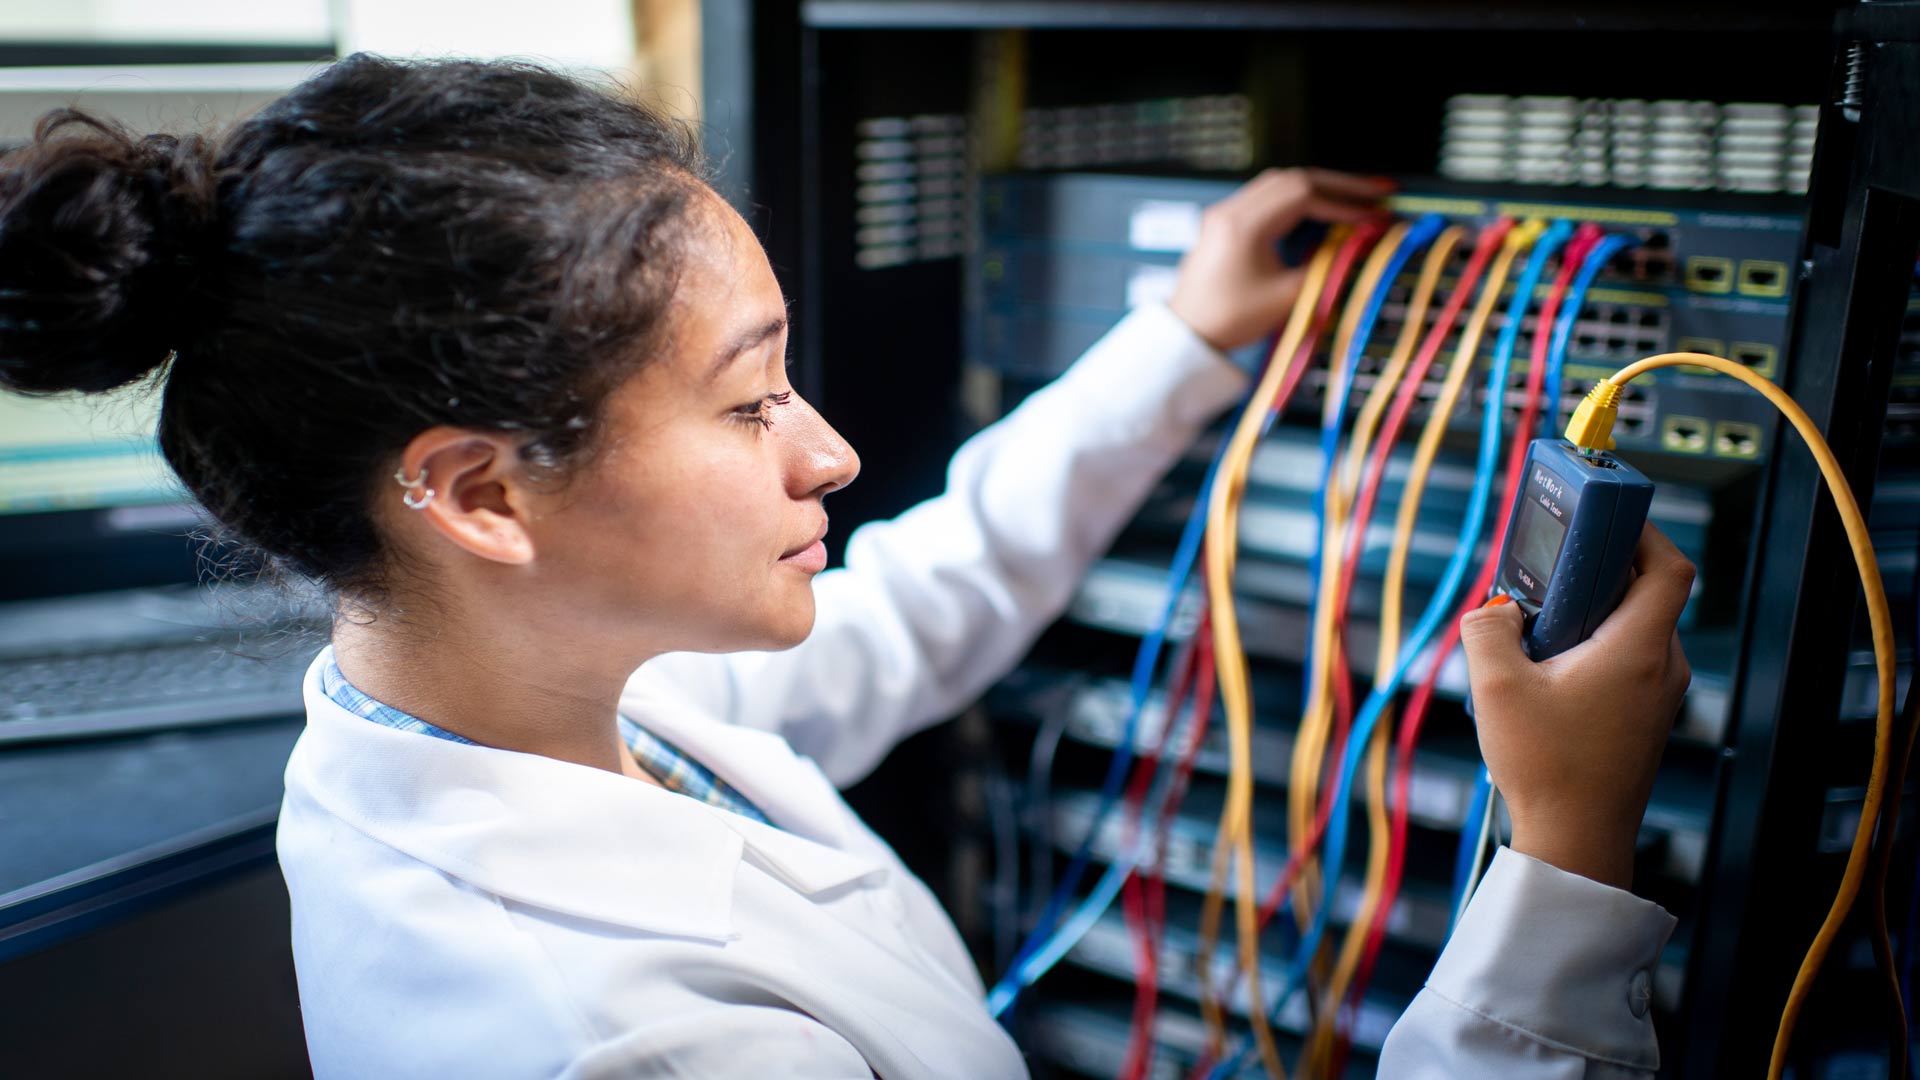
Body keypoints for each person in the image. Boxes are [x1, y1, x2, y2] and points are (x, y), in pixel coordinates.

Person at [0, 54, 1692, 1079]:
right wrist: (1561, 864)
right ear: (480, 493)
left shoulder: (525, 693)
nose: (828, 451)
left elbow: (914, 611)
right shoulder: (627, 1040)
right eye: (748, 403)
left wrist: (1178, 341)